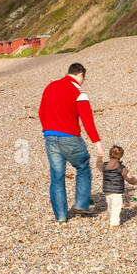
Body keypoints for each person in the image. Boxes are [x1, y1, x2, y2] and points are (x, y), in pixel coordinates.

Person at [38, 63, 104, 223]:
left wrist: (47, 130)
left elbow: (41, 112)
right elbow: (87, 120)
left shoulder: (50, 87)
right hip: (70, 137)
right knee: (82, 166)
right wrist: (97, 142)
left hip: (50, 137)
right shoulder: (78, 91)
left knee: (57, 176)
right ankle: (81, 204)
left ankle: (61, 216)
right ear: (80, 74)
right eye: (83, 78)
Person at [100, 144, 137, 227]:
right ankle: (114, 223)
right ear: (120, 157)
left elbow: (98, 166)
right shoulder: (121, 167)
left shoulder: (104, 166)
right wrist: (136, 182)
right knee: (116, 207)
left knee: (110, 204)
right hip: (117, 191)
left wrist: (99, 158)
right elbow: (129, 177)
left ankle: (111, 217)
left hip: (107, 191)